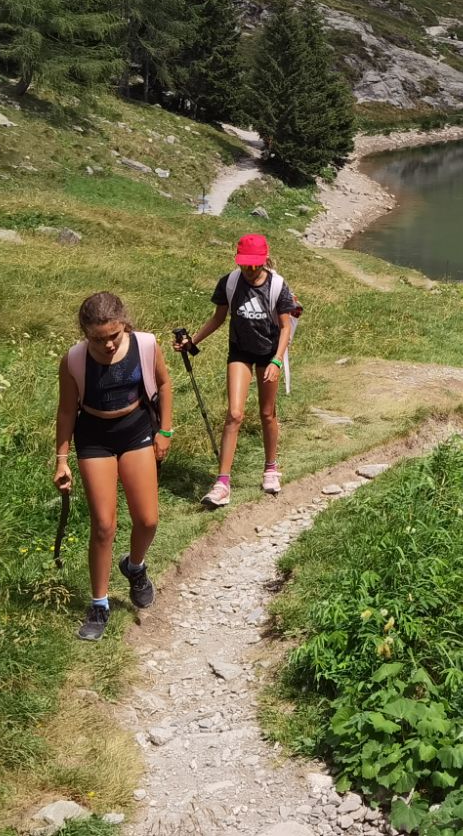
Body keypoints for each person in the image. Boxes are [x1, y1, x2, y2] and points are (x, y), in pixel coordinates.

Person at [55, 291, 174, 641]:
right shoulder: (74, 361)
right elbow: (65, 411)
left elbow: (165, 385)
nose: (107, 345)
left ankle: (134, 567)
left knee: (148, 519)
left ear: (125, 325)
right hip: (94, 437)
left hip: (136, 430)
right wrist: (62, 460)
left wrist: (165, 431)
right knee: (104, 525)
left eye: (114, 336)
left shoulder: (147, 345)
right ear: (84, 333)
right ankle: (99, 604)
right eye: (97, 338)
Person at [177, 233, 297, 506]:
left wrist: (278, 360)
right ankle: (222, 483)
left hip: (269, 353)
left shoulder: (277, 286)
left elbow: (286, 327)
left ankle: (270, 468)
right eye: (245, 264)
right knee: (234, 414)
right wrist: (191, 342)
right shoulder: (230, 283)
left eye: (255, 264)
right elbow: (218, 318)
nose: (250, 269)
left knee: (267, 413)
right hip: (240, 352)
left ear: (264, 260)